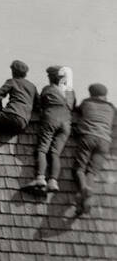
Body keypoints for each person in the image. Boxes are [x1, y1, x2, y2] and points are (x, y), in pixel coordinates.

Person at [73, 83, 115, 216]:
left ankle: (83, 188)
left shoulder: (86, 103)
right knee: (91, 172)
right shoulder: (111, 108)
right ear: (105, 95)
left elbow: (76, 110)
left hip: (88, 136)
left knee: (79, 168)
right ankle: (85, 201)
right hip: (105, 141)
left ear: (91, 94)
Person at [31, 66, 74, 192]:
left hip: (51, 119)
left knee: (42, 149)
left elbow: (39, 105)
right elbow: (73, 106)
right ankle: (53, 181)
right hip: (66, 123)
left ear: (51, 78)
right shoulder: (70, 92)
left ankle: (40, 178)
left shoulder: (47, 89)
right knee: (55, 153)